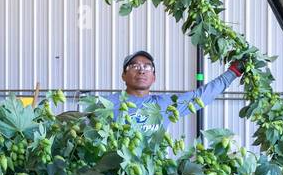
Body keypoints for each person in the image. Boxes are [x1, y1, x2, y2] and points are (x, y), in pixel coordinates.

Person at [103, 50, 245, 130]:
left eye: (147, 67)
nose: (141, 70)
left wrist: (233, 72)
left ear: (154, 77)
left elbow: (201, 96)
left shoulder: (165, 104)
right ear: (123, 75)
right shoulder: (107, 104)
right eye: (134, 66)